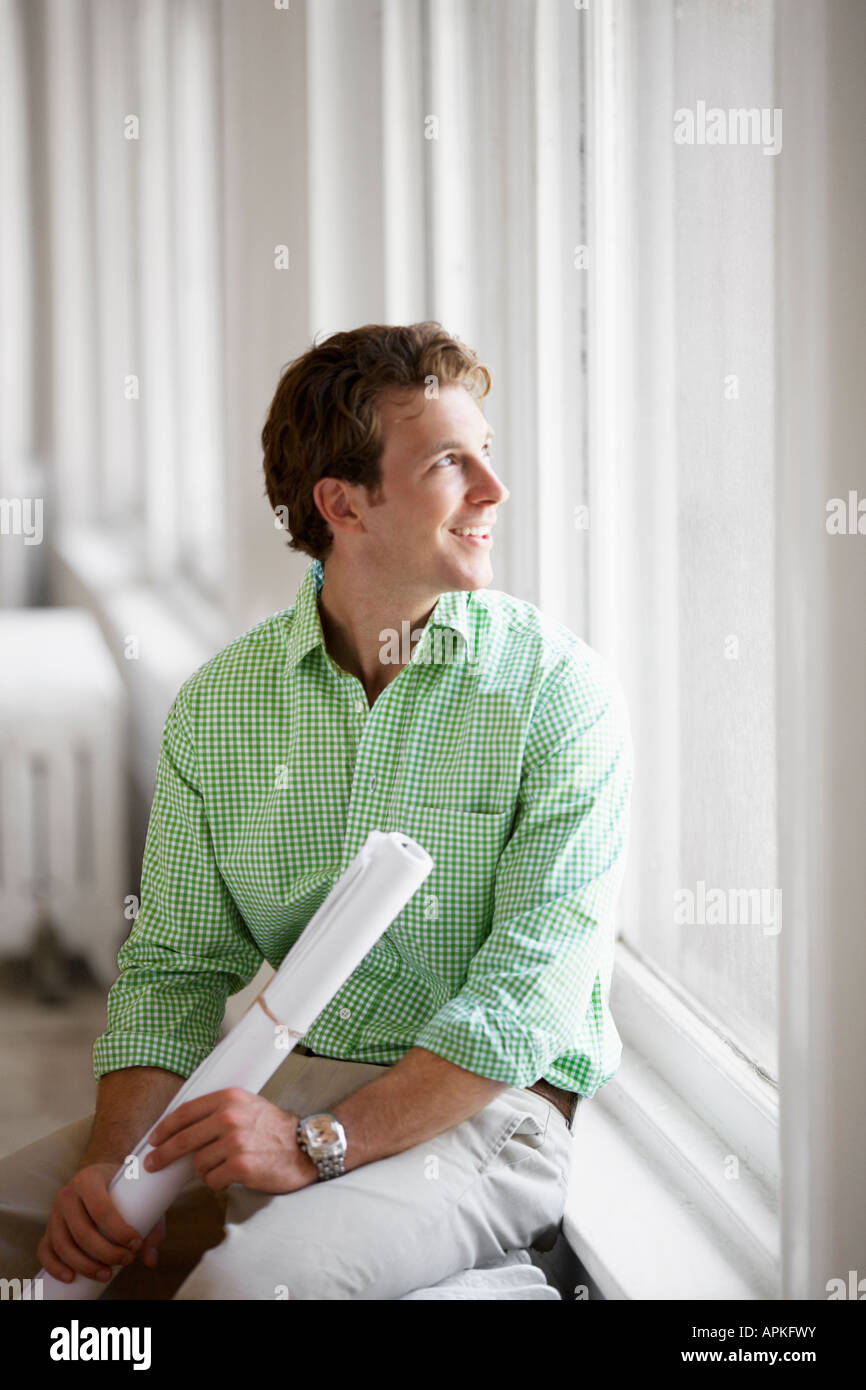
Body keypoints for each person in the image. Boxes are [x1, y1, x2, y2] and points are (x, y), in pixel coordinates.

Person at [0, 322, 633, 1300]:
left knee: (249, 1291)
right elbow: (173, 968)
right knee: (29, 1233)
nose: (492, 493)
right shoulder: (221, 708)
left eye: (487, 456)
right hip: (271, 1084)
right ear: (342, 502)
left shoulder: (555, 694)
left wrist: (313, 1144)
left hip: (481, 1113)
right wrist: (112, 1168)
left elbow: (526, 1002)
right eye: (447, 464)